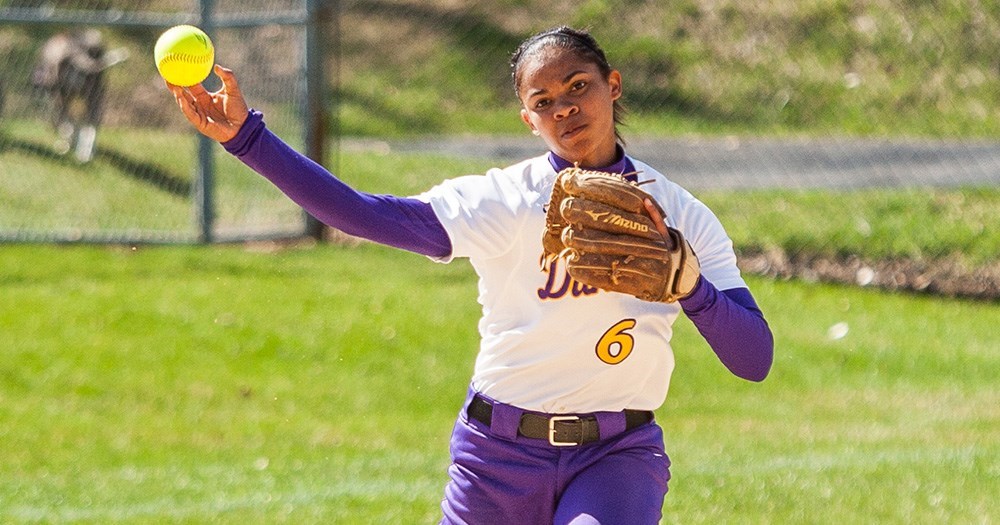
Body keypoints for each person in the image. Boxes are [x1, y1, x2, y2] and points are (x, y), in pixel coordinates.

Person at [167, 26, 773, 525]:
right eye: (542, 102)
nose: (563, 108)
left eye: (578, 87)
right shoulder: (505, 200)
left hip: (615, 456)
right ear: (526, 120)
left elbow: (755, 358)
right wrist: (248, 139)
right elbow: (359, 213)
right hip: (497, 456)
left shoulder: (681, 215)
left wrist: (690, 288)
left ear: (612, 87)